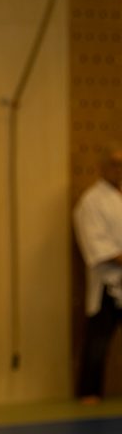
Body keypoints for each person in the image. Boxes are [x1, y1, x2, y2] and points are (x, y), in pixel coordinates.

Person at [73, 145, 122, 402]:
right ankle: (89, 392)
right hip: (107, 281)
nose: (119, 170)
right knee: (98, 340)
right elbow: (97, 246)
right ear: (103, 168)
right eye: (115, 164)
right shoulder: (91, 202)